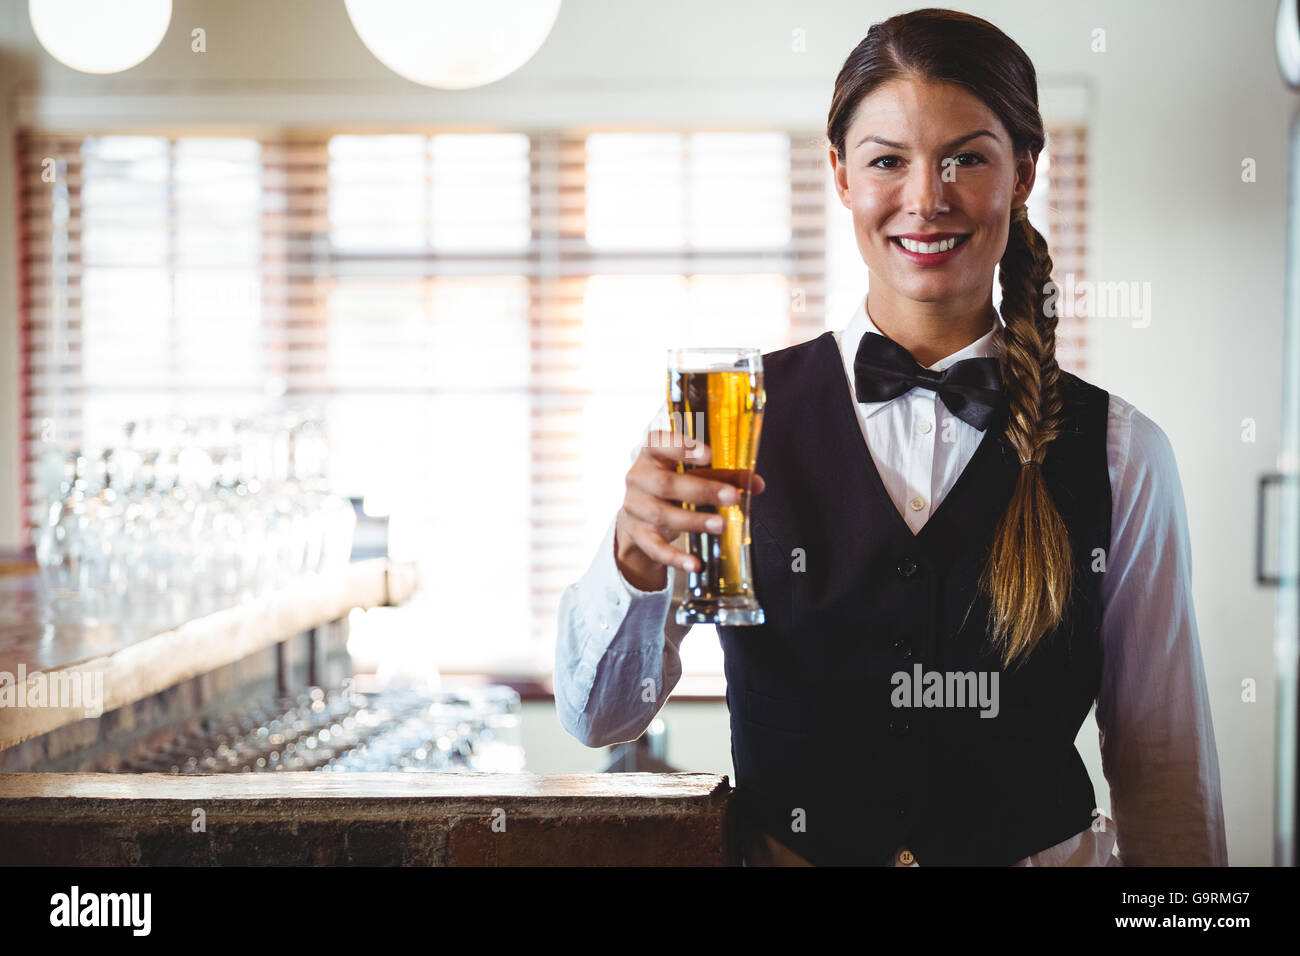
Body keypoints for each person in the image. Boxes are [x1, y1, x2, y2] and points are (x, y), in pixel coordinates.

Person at [554, 7, 1228, 866]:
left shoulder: (1123, 453)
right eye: (887, 161)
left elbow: (1164, 764)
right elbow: (600, 718)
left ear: (1022, 173)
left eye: (967, 159)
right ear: (840, 174)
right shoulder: (721, 427)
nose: (926, 199)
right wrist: (632, 559)